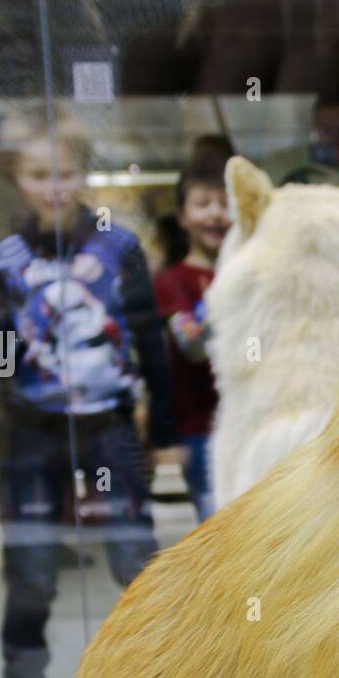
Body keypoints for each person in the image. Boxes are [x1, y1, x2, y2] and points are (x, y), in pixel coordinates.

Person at [0, 103, 174, 678]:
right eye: (38, 175)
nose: (54, 187)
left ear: (85, 173)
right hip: (32, 433)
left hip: (108, 426)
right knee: (31, 570)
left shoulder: (119, 247)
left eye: (65, 173)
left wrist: (161, 415)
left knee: (135, 559)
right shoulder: (6, 256)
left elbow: (147, 336)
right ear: (19, 178)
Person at [153, 159, 230, 521]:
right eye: (203, 204)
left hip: (252, 419)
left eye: (224, 202)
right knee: (218, 526)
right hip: (201, 429)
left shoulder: (252, 270)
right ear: (182, 216)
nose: (216, 213)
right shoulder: (171, 281)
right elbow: (192, 346)